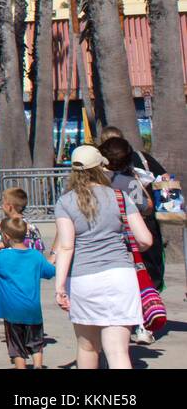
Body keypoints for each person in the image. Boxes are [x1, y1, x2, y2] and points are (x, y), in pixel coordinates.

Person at [53, 145, 153, 370]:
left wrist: (59, 287)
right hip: (120, 276)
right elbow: (145, 240)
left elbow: (66, 247)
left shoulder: (65, 202)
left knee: (88, 348)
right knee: (118, 351)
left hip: (84, 279)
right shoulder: (120, 197)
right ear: (101, 167)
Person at [98, 128, 164, 345]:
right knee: (136, 285)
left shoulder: (93, 182)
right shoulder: (129, 182)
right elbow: (145, 207)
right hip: (129, 244)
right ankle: (140, 326)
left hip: (102, 246)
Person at [0, 217, 57, 369]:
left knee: (16, 346)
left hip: (11, 311)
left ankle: (20, 367)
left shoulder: (2, 257)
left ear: (6, 236)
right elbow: (50, 272)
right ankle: (38, 366)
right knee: (36, 342)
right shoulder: (35, 256)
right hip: (32, 309)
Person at [0, 187, 48, 255]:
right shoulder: (32, 228)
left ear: (9, 207)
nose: (1, 206)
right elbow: (39, 252)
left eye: (2, 203)